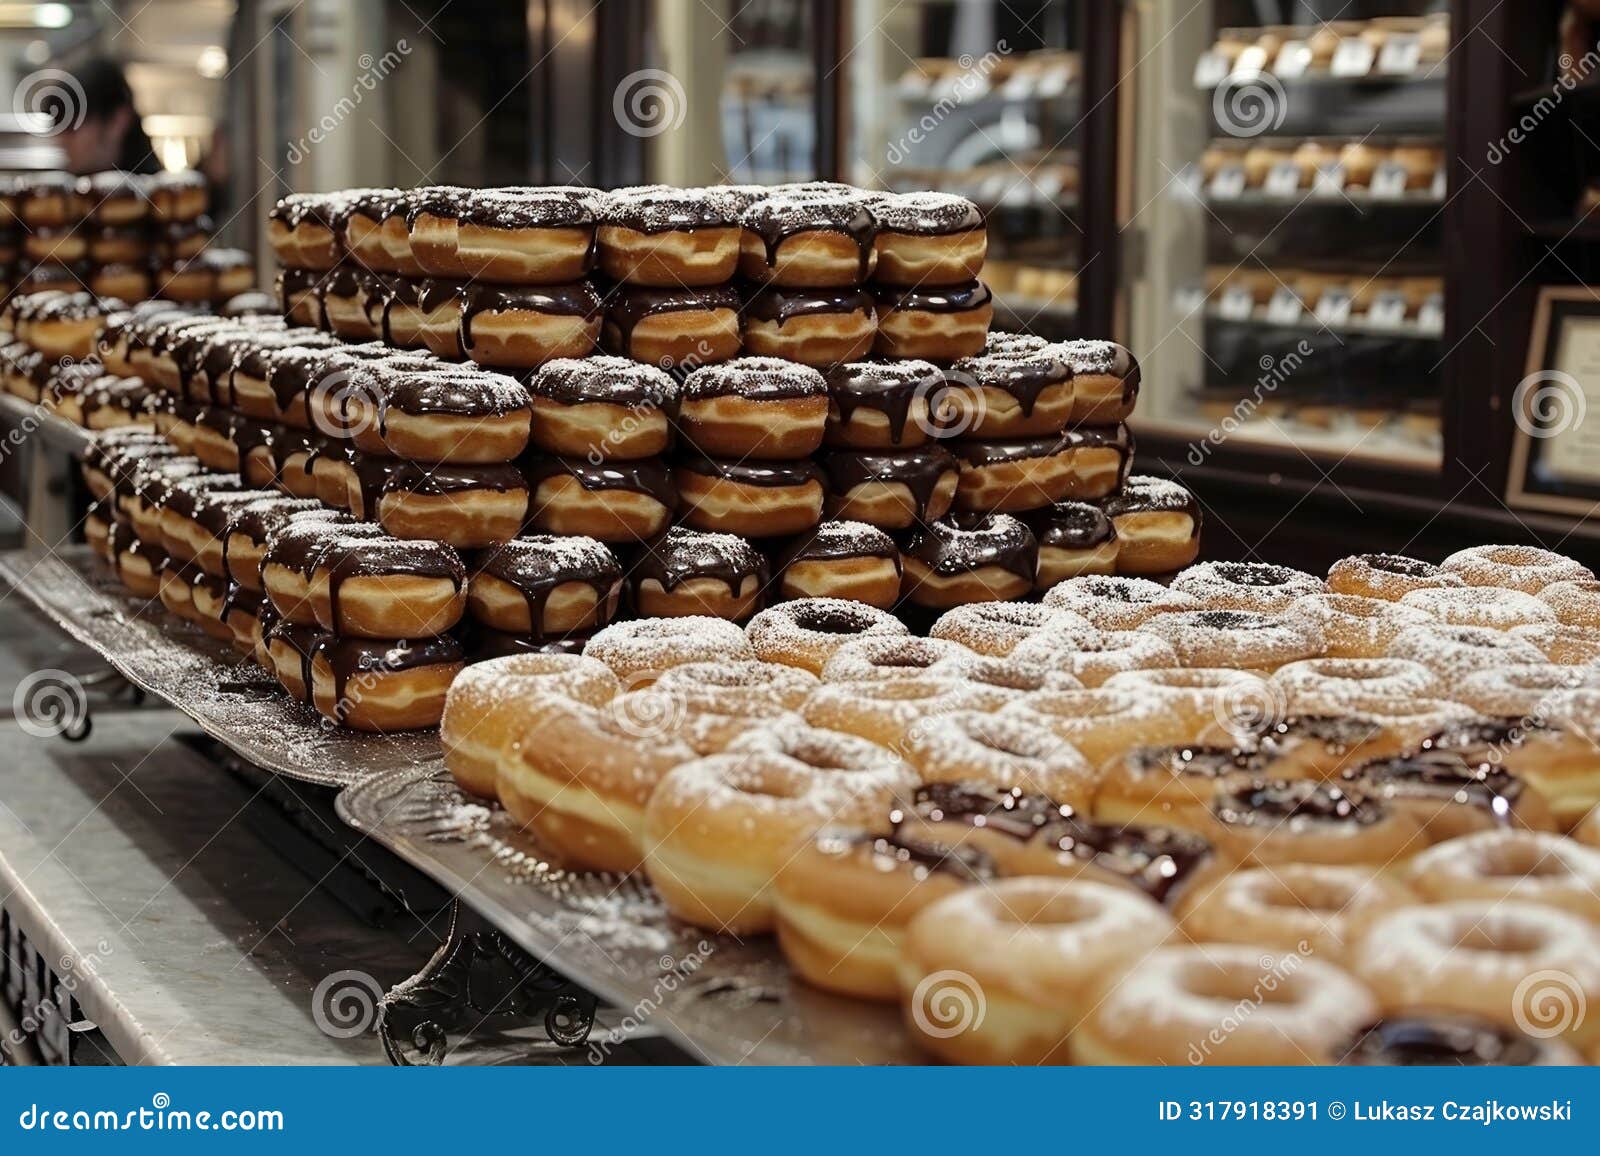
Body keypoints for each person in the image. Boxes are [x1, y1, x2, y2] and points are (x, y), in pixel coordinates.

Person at [50, 58, 160, 175]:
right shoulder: (68, 182)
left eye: (71, 126)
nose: (62, 140)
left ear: (118, 120)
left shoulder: (156, 186)